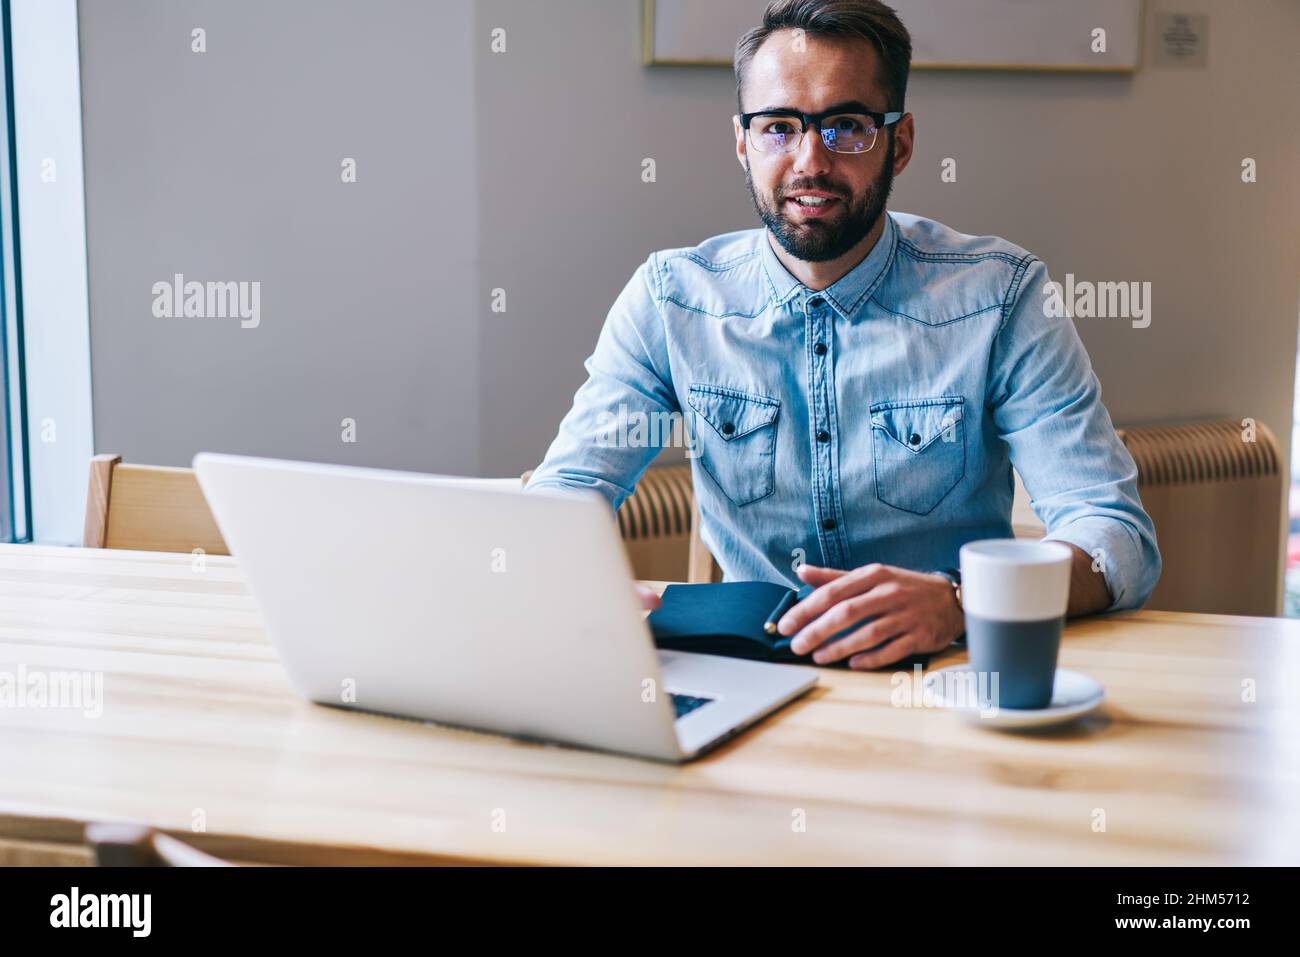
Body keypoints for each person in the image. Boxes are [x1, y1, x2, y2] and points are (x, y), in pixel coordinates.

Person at [526, 0, 1159, 670]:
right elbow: (566, 493)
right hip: (751, 683)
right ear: (742, 141)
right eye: (778, 127)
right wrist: (576, 589)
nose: (810, 161)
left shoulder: (1002, 297)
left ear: (901, 142)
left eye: (847, 126)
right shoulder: (670, 300)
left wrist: (958, 599)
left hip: (948, 678)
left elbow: (1114, 537)